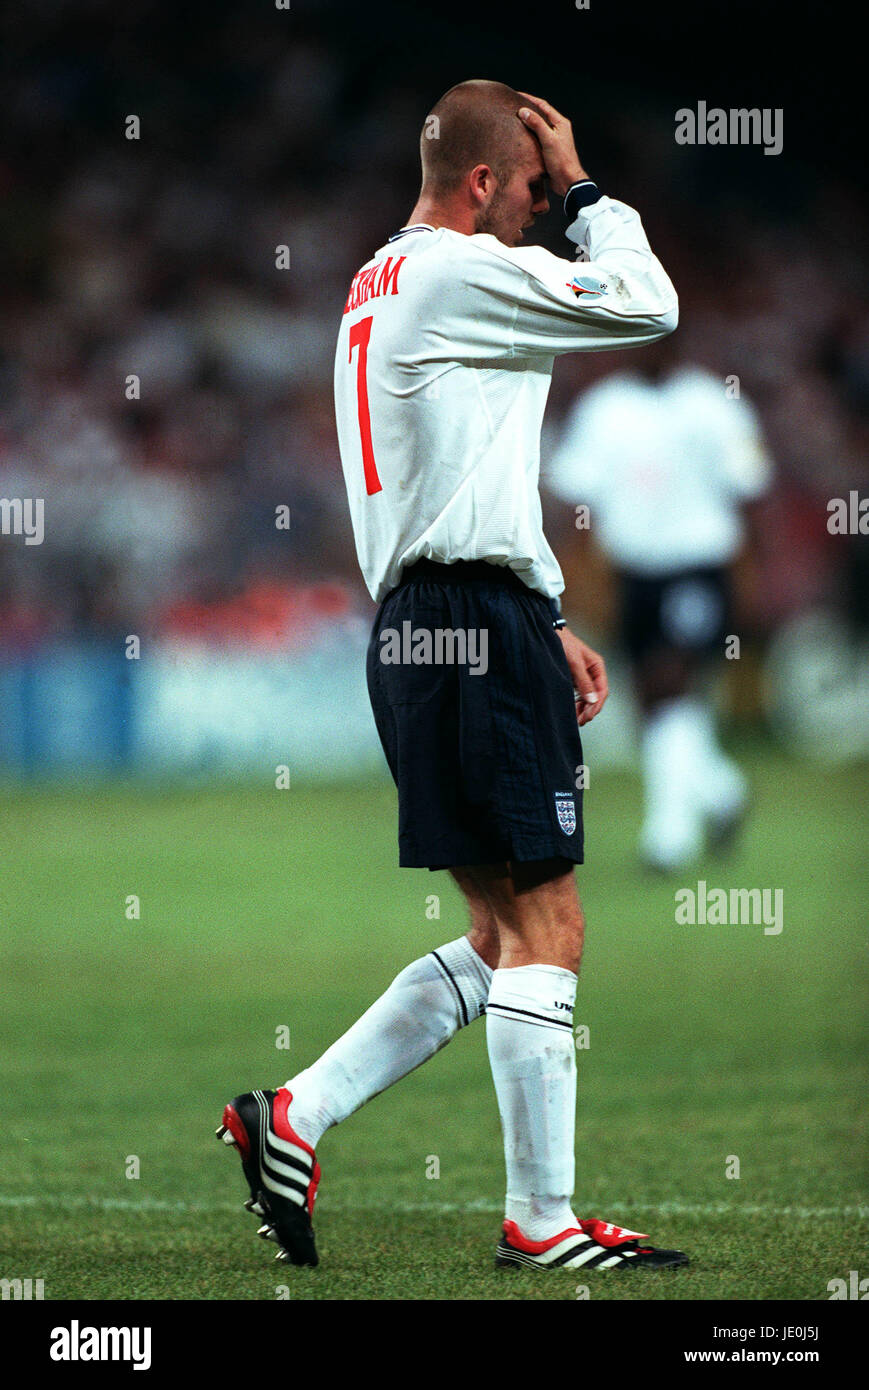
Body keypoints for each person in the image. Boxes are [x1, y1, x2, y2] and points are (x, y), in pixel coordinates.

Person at [218, 79, 688, 1273]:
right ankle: (539, 1222)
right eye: (529, 191)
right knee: (548, 927)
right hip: (467, 627)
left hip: (440, 620)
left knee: (494, 933)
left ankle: (297, 1112)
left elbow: (461, 462)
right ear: (483, 180)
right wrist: (588, 187)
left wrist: (547, 611)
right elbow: (647, 306)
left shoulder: (379, 277)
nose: (541, 212)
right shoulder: (457, 269)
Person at [546, 339, 773, 871]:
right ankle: (722, 791)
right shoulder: (605, 407)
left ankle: (667, 839)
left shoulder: (712, 401)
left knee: (671, 680)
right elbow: (580, 497)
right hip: (632, 572)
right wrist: (581, 575)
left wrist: (752, 573)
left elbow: (748, 486)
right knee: (652, 696)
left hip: (696, 564)